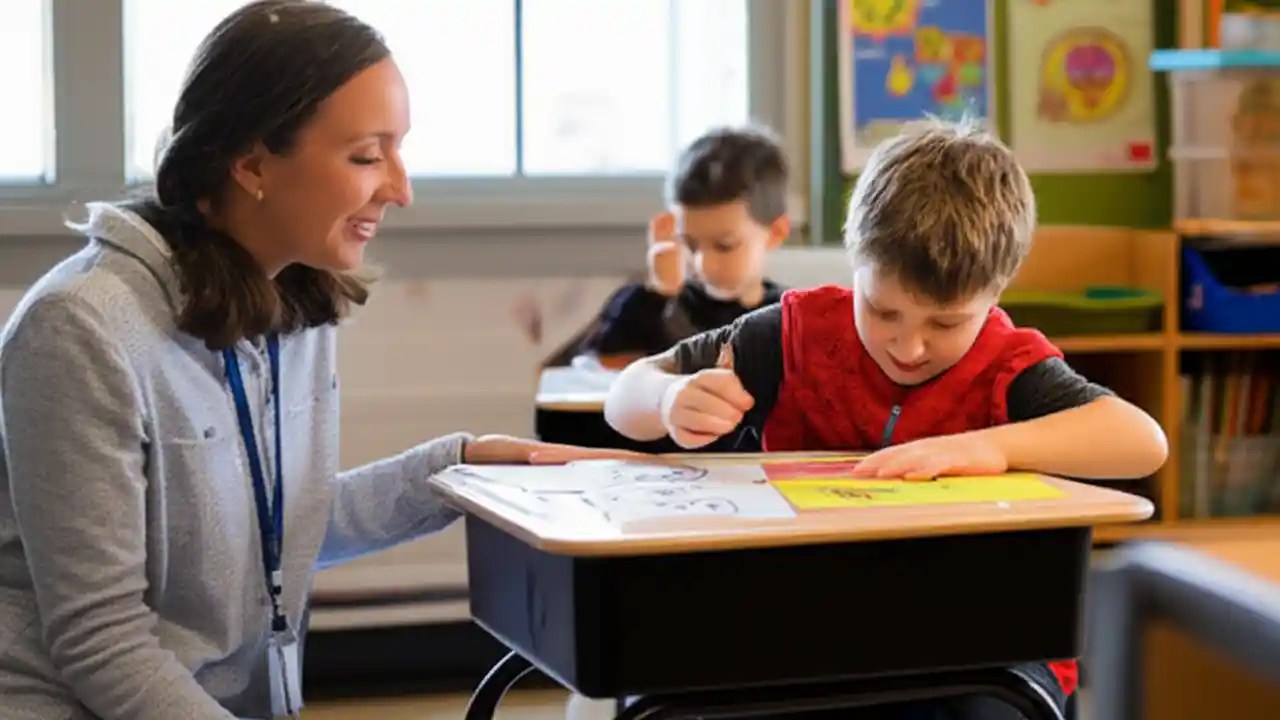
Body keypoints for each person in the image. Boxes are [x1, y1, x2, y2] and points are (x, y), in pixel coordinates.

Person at [0, 3, 633, 718]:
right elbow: (102, 644)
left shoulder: (290, 299)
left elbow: (275, 530)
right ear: (250, 163)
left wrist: (455, 468)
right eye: (366, 155)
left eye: (398, 150)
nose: (401, 188)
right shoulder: (80, 328)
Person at [602, 118, 1169, 718]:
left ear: (995, 293)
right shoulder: (796, 335)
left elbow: (1141, 442)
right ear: (857, 263)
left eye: (945, 323)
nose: (908, 346)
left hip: (974, 647)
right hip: (802, 630)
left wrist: (986, 448)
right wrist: (668, 401)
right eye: (882, 310)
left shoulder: (1008, 366)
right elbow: (627, 396)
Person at [572, 126, 791, 365]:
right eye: (689, 243)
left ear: (775, 233)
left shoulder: (788, 317)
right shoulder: (651, 307)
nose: (702, 264)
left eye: (724, 246)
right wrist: (658, 294)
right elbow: (597, 368)